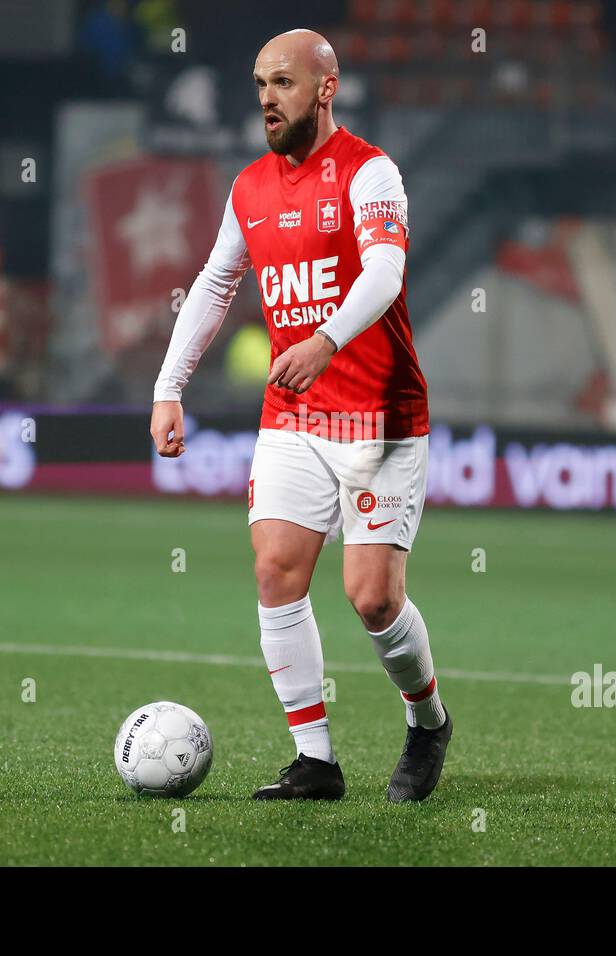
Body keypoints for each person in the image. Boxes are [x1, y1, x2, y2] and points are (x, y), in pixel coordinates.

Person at [150, 29, 450, 801]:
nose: (266, 99)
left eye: (282, 82)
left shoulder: (369, 171)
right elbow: (216, 284)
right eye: (258, 83)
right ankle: (315, 761)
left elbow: (386, 269)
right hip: (293, 415)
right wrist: (168, 386)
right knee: (277, 573)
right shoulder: (248, 186)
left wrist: (325, 338)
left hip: (379, 416)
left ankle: (427, 723)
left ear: (325, 87)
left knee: (372, 597)